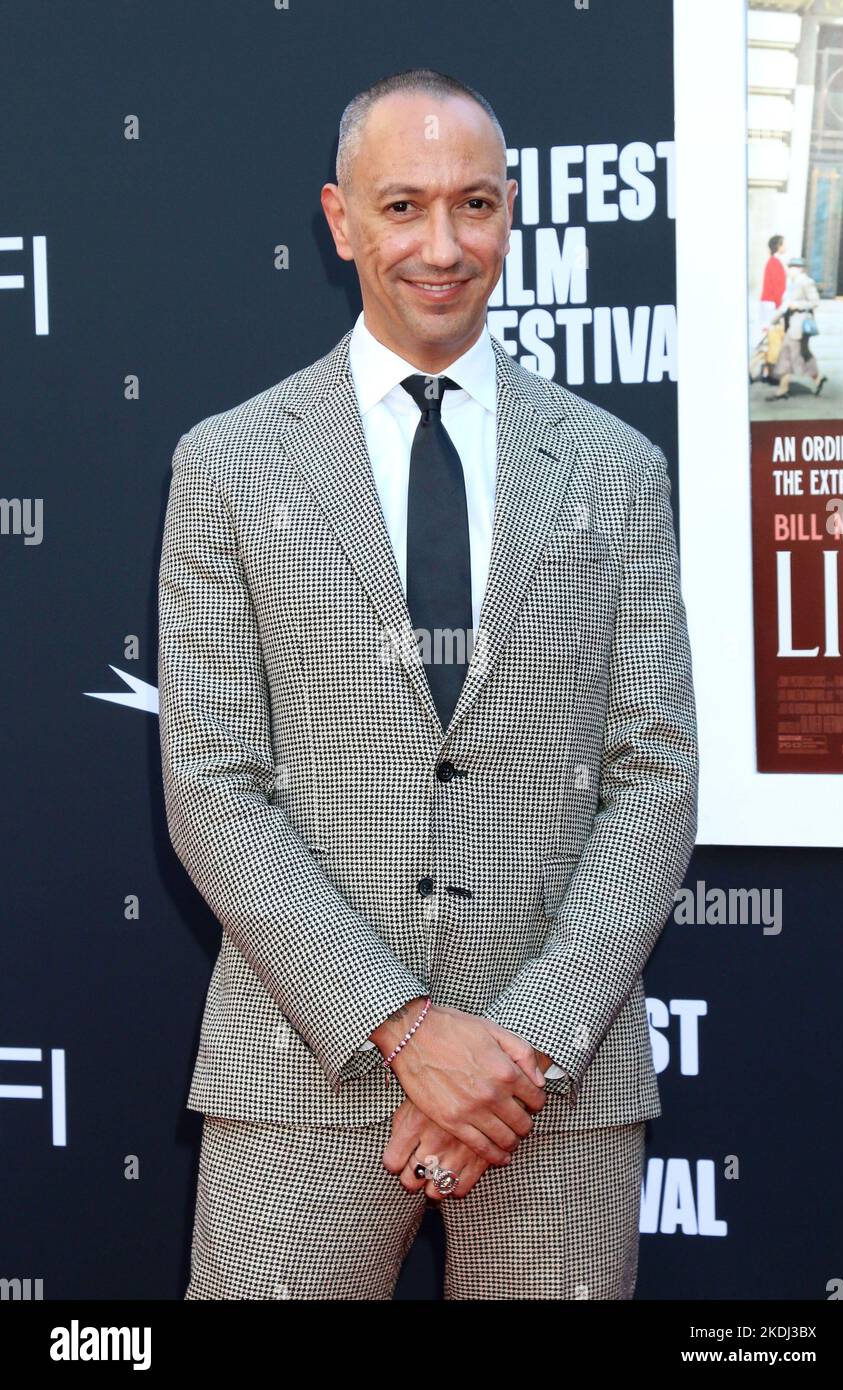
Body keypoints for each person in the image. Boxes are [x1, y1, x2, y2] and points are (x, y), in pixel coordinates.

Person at [158, 67, 699, 1301]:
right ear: (341, 220)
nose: (443, 246)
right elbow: (213, 787)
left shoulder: (615, 470)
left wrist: (518, 1055)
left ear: (512, 215)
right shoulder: (229, 464)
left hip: (551, 1085)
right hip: (308, 1066)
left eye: (475, 204)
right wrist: (409, 1032)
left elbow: (654, 773)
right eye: (403, 207)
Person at [766, 256, 827, 400]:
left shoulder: (806, 282)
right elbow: (784, 306)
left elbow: (815, 302)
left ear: (800, 269)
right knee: (795, 355)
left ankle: (783, 389)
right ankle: (816, 379)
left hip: (800, 327)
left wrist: (797, 305)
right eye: (790, 267)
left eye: (793, 267)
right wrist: (772, 321)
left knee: (790, 355)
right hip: (792, 326)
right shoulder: (792, 283)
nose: (790, 270)